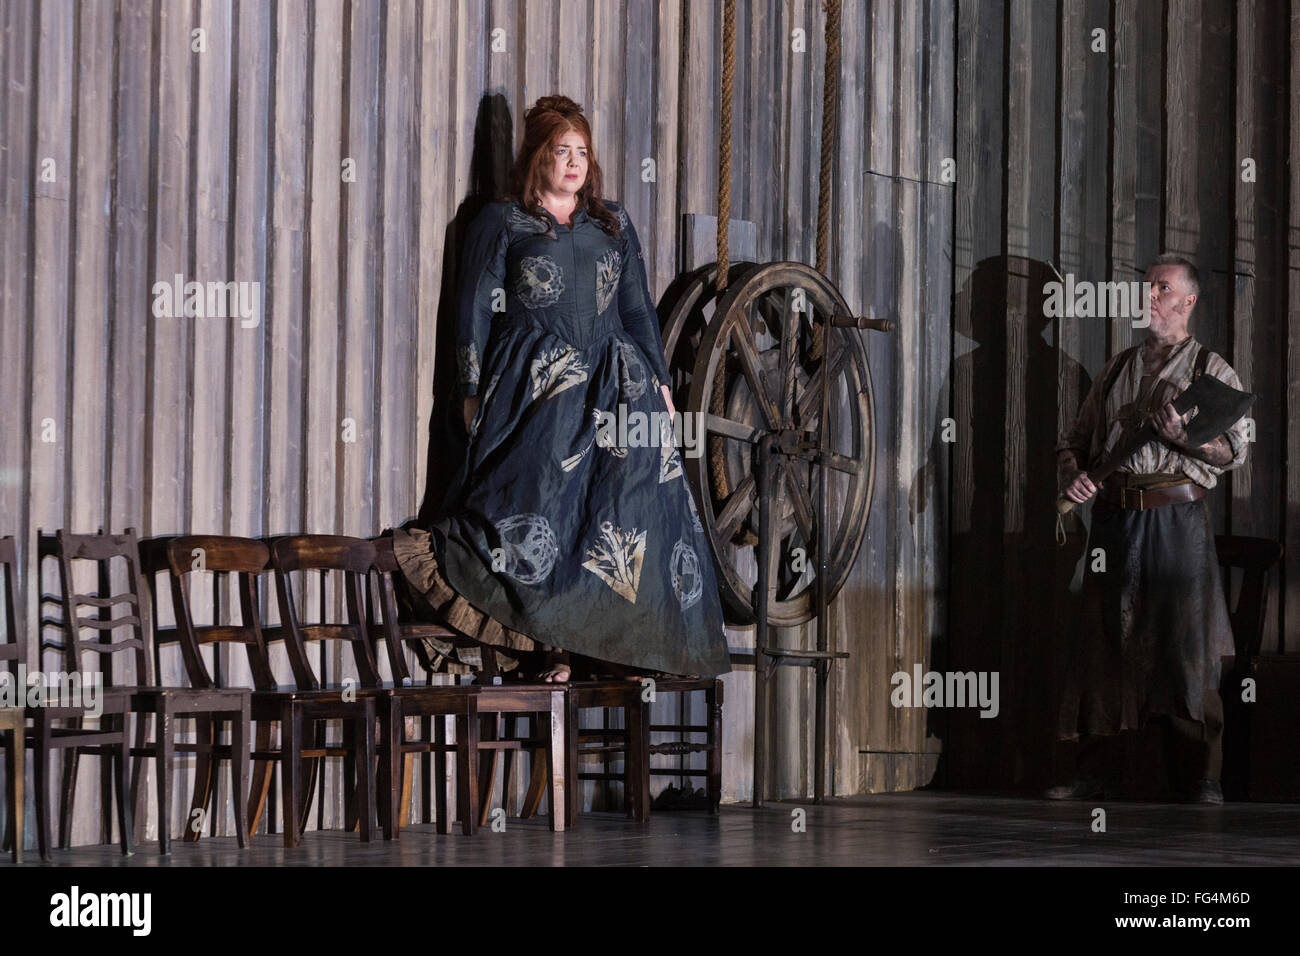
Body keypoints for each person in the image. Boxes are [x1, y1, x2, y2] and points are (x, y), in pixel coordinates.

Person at [392, 95, 731, 684]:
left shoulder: (612, 223)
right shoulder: (502, 222)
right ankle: (551, 648)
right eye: (560, 152)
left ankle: (617, 649)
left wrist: (659, 381)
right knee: (541, 503)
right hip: (538, 385)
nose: (574, 163)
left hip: (615, 382)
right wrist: (470, 389)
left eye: (581, 152)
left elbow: (635, 310)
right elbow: (472, 308)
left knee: (626, 510)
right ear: (536, 157)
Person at [1050, 254, 1250, 804]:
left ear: (1187, 301)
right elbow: (1074, 439)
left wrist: (1184, 438)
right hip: (1113, 520)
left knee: (1187, 645)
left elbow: (1233, 451)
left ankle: (1200, 776)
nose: (1150, 297)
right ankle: (1095, 772)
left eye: (1162, 289)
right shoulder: (1116, 369)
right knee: (1104, 641)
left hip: (1176, 519)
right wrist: (1077, 480)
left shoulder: (1212, 370)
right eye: (1147, 288)